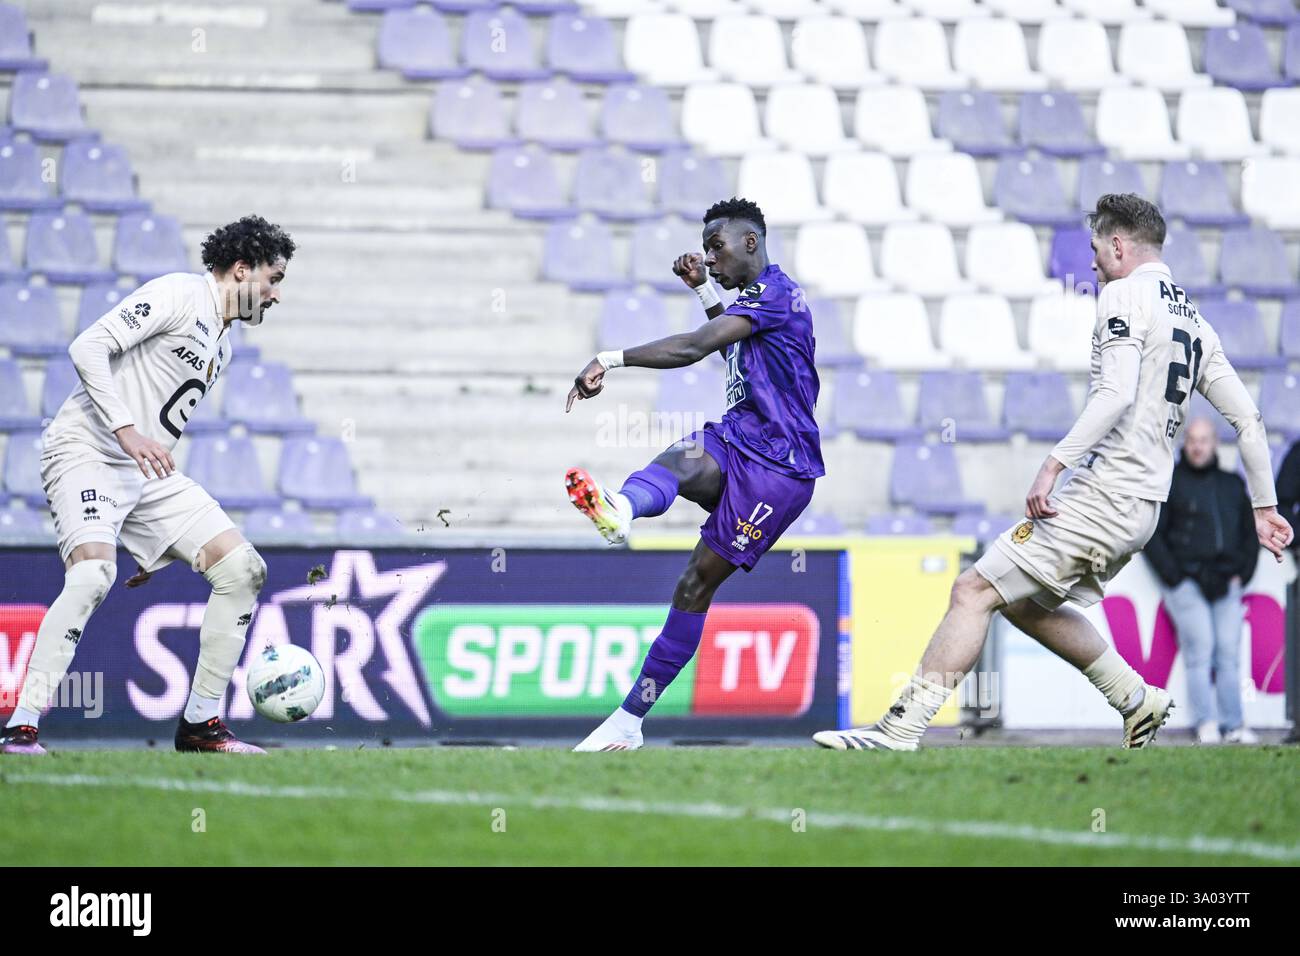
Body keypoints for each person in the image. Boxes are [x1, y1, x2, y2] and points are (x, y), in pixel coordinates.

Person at [813, 194, 1294, 752]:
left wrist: (1050, 468)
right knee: (1019, 601)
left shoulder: (1122, 296)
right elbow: (1250, 421)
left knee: (972, 590)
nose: (1092, 264)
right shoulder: (1196, 323)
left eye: (1096, 249)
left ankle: (899, 729)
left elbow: (1113, 396)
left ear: (1118, 245)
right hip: (1143, 508)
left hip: (1106, 494)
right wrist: (1265, 506)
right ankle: (1136, 700)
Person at [0, 215, 295, 756]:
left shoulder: (222, 344)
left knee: (243, 569)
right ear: (240, 269)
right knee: (92, 576)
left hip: (142, 475)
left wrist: (145, 532)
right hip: (86, 449)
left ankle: (201, 725)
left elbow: (158, 426)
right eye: (273, 280)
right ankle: (20, 729)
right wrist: (125, 430)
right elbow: (87, 347)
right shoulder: (179, 294)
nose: (275, 296)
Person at [563, 197, 823, 751]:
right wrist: (704, 289)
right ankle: (621, 509)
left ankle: (629, 720)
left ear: (750, 242)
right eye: (706, 249)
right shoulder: (758, 300)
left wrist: (608, 359)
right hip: (740, 437)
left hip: (781, 468)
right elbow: (730, 345)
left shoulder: (778, 293)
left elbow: (695, 348)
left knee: (694, 585)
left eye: (717, 247)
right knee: (682, 458)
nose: (710, 257)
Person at [1144, 419, 1260, 744]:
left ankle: (1233, 726)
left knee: (1228, 654)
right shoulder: (1170, 481)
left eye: (1204, 440)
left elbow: (1249, 536)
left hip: (1226, 580)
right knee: (1201, 651)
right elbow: (1152, 534)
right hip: (1187, 582)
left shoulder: (1232, 483)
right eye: (1192, 440)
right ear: (1185, 443)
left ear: (1215, 443)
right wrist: (1176, 578)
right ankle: (1206, 724)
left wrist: (1242, 573)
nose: (1197, 446)